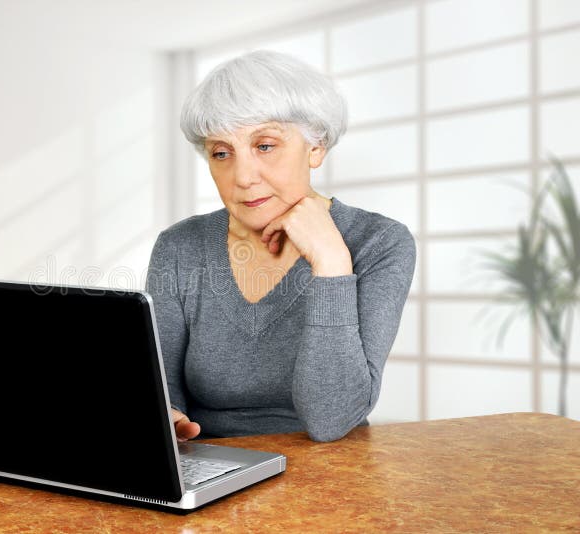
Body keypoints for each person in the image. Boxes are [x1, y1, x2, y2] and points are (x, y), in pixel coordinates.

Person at [145, 49, 416, 443]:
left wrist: (331, 261)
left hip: (331, 477)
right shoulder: (179, 246)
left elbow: (331, 419)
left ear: (316, 147)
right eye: (221, 153)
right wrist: (164, 418)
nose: (243, 176)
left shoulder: (380, 242)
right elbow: (161, 387)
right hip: (210, 469)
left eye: (265, 146)